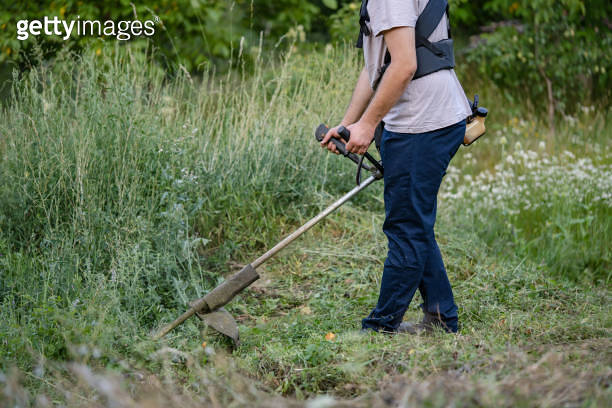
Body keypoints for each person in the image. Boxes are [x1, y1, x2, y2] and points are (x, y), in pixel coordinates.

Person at [320, 0, 471, 333]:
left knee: (406, 228)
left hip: (421, 122)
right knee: (413, 223)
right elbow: (376, 67)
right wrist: (349, 124)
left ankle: (379, 328)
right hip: (425, 117)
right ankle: (441, 318)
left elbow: (404, 66)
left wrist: (368, 123)